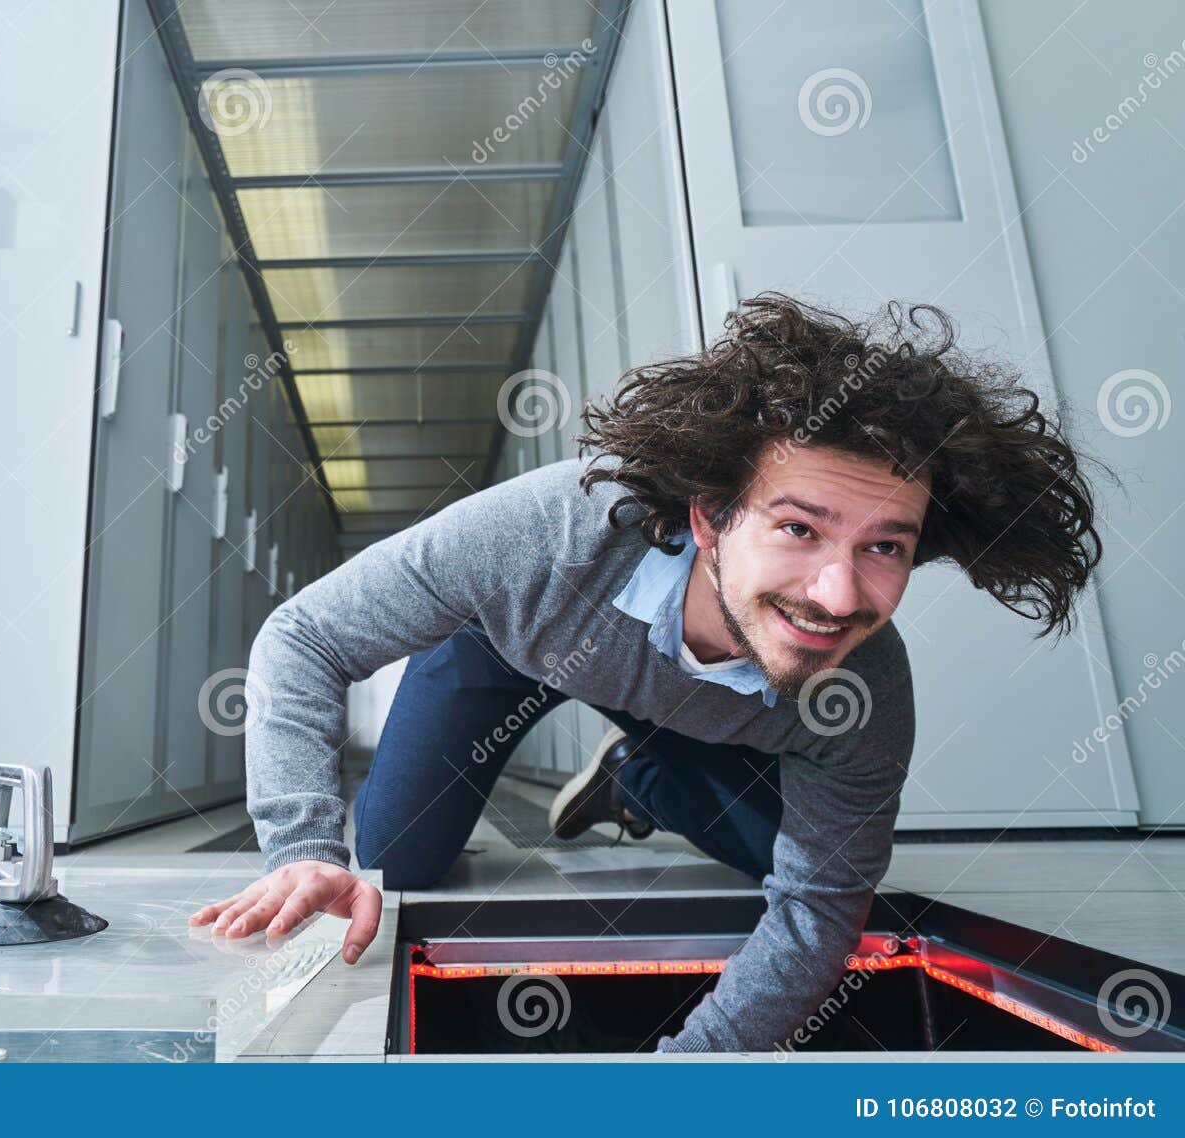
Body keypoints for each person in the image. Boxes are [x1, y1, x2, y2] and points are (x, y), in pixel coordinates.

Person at [188, 294, 1104, 1052]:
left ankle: (638, 778)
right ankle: (591, 752)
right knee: (398, 859)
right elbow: (304, 636)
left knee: (799, 866)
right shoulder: (542, 533)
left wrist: (683, 1079)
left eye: (884, 546)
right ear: (711, 516)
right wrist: (303, 844)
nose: (837, 592)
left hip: (703, 703)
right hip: (510, 653)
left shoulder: (863, 692)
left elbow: (817, 909)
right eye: (799, 527)